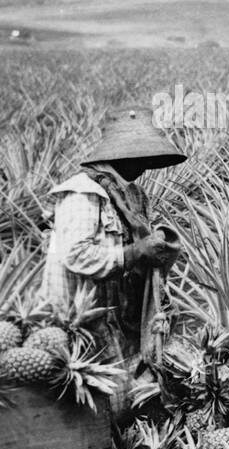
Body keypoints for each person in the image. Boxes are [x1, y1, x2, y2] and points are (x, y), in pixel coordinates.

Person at [39, 106, 187, 407]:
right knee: (99, 405)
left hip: (116, 311)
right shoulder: (83, 193)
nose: (147, 165)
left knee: (129, 396)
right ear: (123, 155)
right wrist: (136, 251)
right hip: (78, 319)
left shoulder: (133, 196)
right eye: (142, 156)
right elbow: (76, 256)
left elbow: (138, 250)